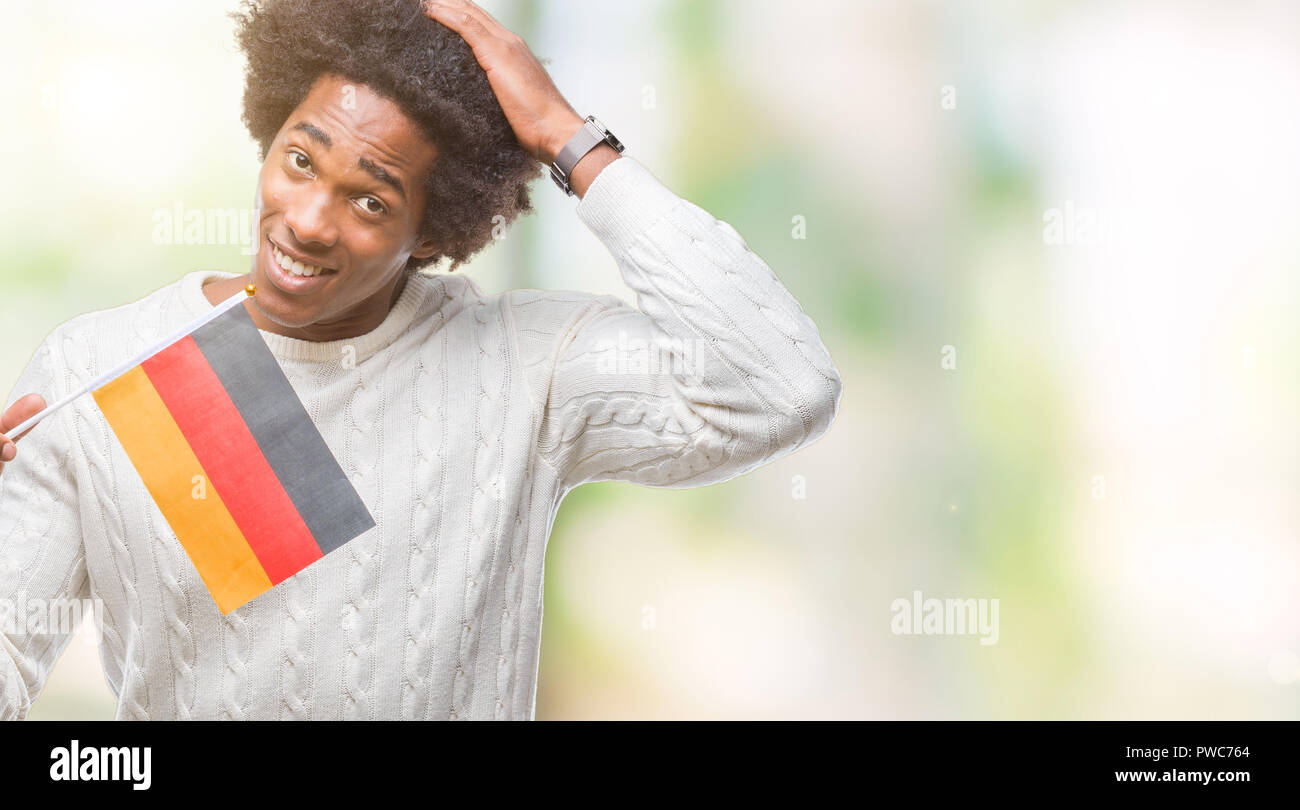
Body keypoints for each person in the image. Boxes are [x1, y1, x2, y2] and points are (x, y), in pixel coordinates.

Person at [0, 0, 842, 720]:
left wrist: (568, 139)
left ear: (435, 233)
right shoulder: (101, 368)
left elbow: (781, 387)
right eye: (300, 160)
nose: (306, 221)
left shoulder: (525, 369)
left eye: (370, 199)